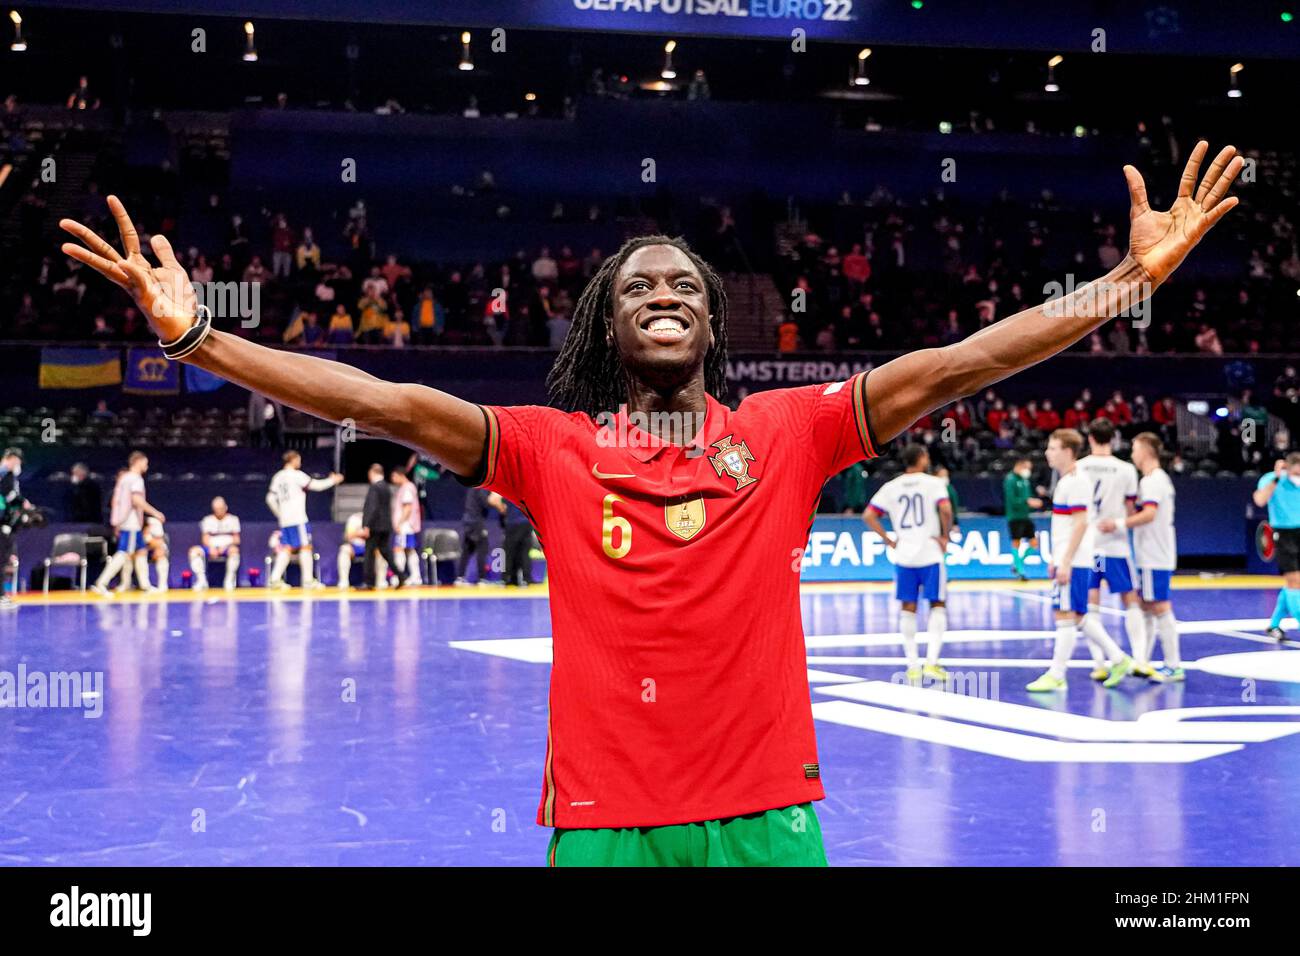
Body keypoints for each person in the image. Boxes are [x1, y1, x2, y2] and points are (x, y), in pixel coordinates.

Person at [60, 143, 1241, 866]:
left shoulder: (791, 432)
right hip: (603, 823)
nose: (665, 291)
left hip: (767, 816)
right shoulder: (547, 450)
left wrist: (1127, 282)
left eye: (685, 282)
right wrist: (203, 336)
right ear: (608, 326)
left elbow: (966, 359)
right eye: (640, 287)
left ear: (711, 320)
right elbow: (379, 398)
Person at [863, 444, 953, 684]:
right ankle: (932, 663)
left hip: (904, 554)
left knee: (908, 607)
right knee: (937, 604)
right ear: (922, 458)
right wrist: (945, 535)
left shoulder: (890, 487)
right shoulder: (933, 483)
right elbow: (945, 509)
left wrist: (888, 539)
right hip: (930, 552)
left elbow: (868, 515)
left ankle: (912, 665)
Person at [1103, 432, 1181, 681]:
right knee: (1146, 604)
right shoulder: (1156, 479)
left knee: (1159, 606)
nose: (1132, 454)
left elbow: (1149, 514)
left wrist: (1116, 523)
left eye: (1135, 449)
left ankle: (1173, 665)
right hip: (1154, 551)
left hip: (1154, 553)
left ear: (1147, 450)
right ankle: (1142, 661)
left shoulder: (1152, 481)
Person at [1076, 418, 1147, 685]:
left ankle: (1100, 664)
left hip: (1088, 545)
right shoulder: (1127, 469)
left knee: (1090, 606)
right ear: (1113, 438)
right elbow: (1130, 509)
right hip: (1116, 544)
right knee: (1131, 602)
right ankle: (1139, 659)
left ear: (1090, 438)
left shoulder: (1079, 468)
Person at [1027, 429, 1096, 692]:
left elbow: (1080, 524)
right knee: (1076, 615)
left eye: (1053, 447)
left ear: (1068, 451)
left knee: (1064, 614)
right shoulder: (1068, 480)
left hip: (1074, 558)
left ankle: (1057, 674)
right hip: (1071, 556)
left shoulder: (1075, 481)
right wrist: (1058, 558)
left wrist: (1065, 560)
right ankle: (1118, 659)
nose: (1047, 452)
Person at [92, 451, 165, 596]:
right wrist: (155, 512)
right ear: (138, 462)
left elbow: (116, 502)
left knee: (141, 551)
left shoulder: (124, 478)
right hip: (131, 521)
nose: (147, 466)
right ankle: (101, 583)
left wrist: (117, 522)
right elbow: (136, 500)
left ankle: (145, 585)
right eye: (145, 463)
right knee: (124, 553)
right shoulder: (135, 479)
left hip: (127, 521)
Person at [265, 451, 341, 590]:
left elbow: (270, 499)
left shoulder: (278, 476)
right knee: (305, 547)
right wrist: (333, 481)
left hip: (286, 520)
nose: (300, 463)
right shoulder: (296, 475)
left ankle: (274, 579)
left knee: (287, 548)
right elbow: (316, 485)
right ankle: (307, 581)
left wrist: (280, 514)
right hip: (297, 518)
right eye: (298, 460)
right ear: (293, 460)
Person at [1254, 452, 1300, 641]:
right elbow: (1259, 500)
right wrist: (1275, 478)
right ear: (1287, 468)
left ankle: (1274, 625)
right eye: (1295, 473)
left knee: (1293, 583)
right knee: (1294, 582)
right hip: (1284, 534)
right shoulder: (1272, 479)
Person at [1003, 456, 1043, 581]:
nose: (1028, 471)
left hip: (1025, 516)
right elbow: (1012, 499)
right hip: (1014, 517)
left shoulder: (1025, 481)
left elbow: (1028, 496)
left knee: (1034, 543)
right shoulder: (1010, 480)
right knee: (1016, 542)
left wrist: (1033, 502)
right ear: (1019, 466)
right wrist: (1028, 502)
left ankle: (1017, 564)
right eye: (1026, 468)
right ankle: (1020, 571)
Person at [0, 448, 31, 609]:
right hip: (2, 522)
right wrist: (22, 502)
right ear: (11, 458)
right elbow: (9, 497)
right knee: (1, 558)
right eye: (17, 462)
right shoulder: (5, 474)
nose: (18, 466)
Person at [190, 496, 241, 592]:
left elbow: (237, 539)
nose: (219, 511)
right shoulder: (208, 520)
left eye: (221, 508)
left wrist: (226, 546)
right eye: (216, 509)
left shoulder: (233, 519)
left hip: (227, 547)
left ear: (225, 507)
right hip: (211, 547)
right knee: (194, 551)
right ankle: (202, 581)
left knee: (234, 551)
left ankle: (229, 581)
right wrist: (211, 547)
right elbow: (205, 539)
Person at [360, 463, 397, 590]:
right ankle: (402, 575)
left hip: (375, 526)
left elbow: (372, 507)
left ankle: (368, 581)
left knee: (369, 553)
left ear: (372, 473)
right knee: (385, 552)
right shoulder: (386, 487)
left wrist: (366, 525)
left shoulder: (375, 487)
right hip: (385, 525)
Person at [456, 486, 503, 585]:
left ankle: (460, 577)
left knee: (467, 550)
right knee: (482, 548)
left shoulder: (473, 487)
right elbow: (485, 502)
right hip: (476, 522)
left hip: (468, 520)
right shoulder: (480, 487)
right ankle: (481, 578)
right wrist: (497, 500)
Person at [390, 467, 422, 586]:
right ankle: (415, 576)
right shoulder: (408, 487)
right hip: (408, 525)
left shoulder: (407, 488)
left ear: (400, 475)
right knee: (409, 550)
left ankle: (400, 576)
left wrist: (399, 523)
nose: (392, 479)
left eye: (394, 476)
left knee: (399, 549)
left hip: (405, 525)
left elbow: (407, 508)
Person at [141, 515, 170, 592]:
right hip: (139, 551)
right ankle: (145, 586)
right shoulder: (130, 524)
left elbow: (159, 541)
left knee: (161, 554)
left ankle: (163, 585)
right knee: (140, 555)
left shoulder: (153, 522)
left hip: (153, 548)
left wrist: (155, 548)